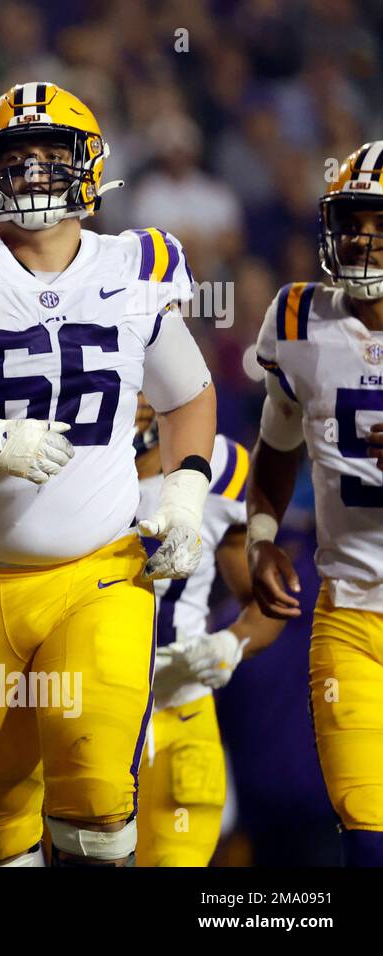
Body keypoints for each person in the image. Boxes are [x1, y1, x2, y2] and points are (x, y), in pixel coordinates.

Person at [0, 82, 217, 867]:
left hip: (99, 570)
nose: (30, 174)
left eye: (49, 156)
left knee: (95, 803)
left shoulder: (136, 265)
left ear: (89, 168)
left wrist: (186, 494)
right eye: (13, 158)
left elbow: (188, 397)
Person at [247, 141, 383, 867]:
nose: (362, 239)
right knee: (367, 842)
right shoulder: (300, 318)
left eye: (378, 222)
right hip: (352, 616)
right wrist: (262, 533)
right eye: (352, 220)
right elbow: (278, 438)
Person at [133, 394, 283, 865]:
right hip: (79, 707)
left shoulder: (221, 468)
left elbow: (268, 603)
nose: (137, 393)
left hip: (180, 707)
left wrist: (228, 645)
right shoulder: (60, 465)